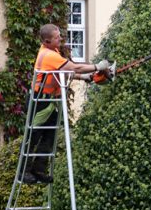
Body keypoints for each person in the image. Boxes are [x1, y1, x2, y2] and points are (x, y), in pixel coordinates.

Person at [19, 23, 110, 184]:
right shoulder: (49, 56)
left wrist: (85, 78)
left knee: (50, 136)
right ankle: (23, 172)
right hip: (39, 103)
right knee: (33, 137)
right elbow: (76, 67)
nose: (60, 38)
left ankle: (39, 169)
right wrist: (97, 66)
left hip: (48, 102)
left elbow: (64, 73)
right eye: (56, 37)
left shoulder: (53, 51)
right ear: (47, 41)